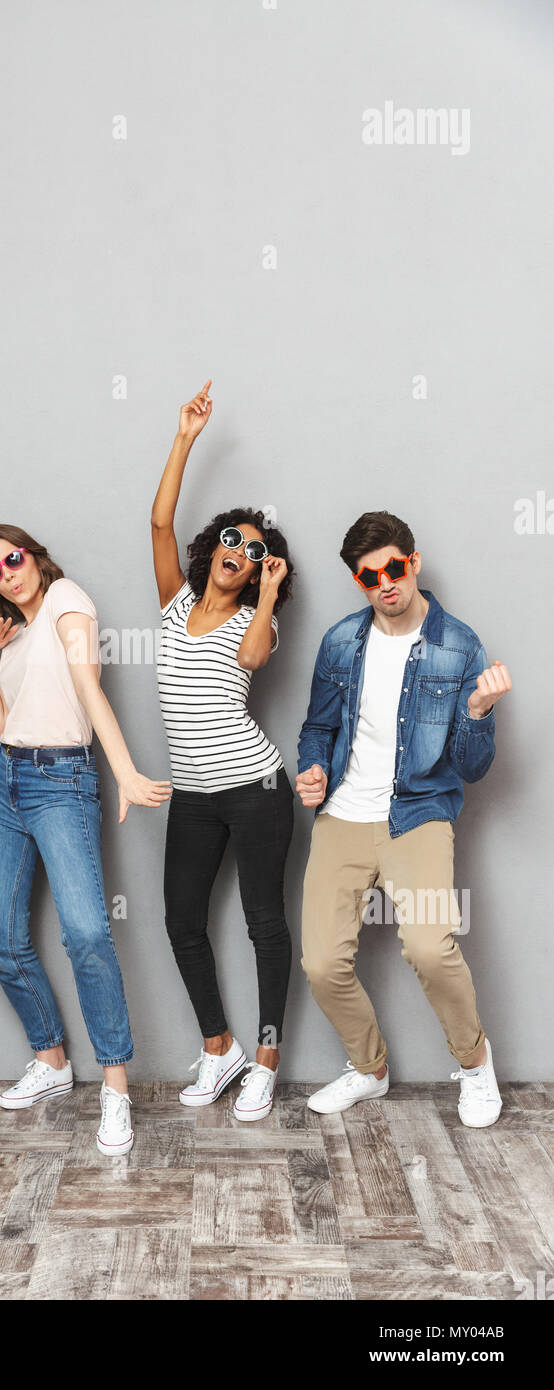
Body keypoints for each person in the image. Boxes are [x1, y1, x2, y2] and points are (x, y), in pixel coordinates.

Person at [296, 510, 511, 1127]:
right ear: (359, 583)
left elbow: (474, 768)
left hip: (418, 814)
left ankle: (474, 1065)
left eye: (394, 567)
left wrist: (476, 710)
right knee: (321, 963)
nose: (385, 583)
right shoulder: (340, 640)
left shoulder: (459, 644)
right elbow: (318, 727)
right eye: (370, 576)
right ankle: (369, 1069)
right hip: (342, 815)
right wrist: (313, 769)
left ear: (412, 562)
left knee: (428, 945)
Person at [0, 523, 171, 1157]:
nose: (8, 573)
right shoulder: (14, 635)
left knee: (85, 932)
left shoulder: (67, 600)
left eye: (13, 559)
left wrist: (125, 771)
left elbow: (88, 686)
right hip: (7, 780)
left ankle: (116, 1088)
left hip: (63, 780)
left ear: (33, 556)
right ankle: (52, 1059)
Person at [151, 381, 296, 1121]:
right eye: (233, 540)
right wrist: (185, 437)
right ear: (213, 550)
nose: (240, 551)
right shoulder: (175, 599)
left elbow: (252, 658)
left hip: (257, 791)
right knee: (181, 922)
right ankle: (221, 1048)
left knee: (263, 922)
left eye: (257, 550)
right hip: (195, 796)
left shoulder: (252, 619)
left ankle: (266, 1060)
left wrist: (267, 590)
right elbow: (158, 520)